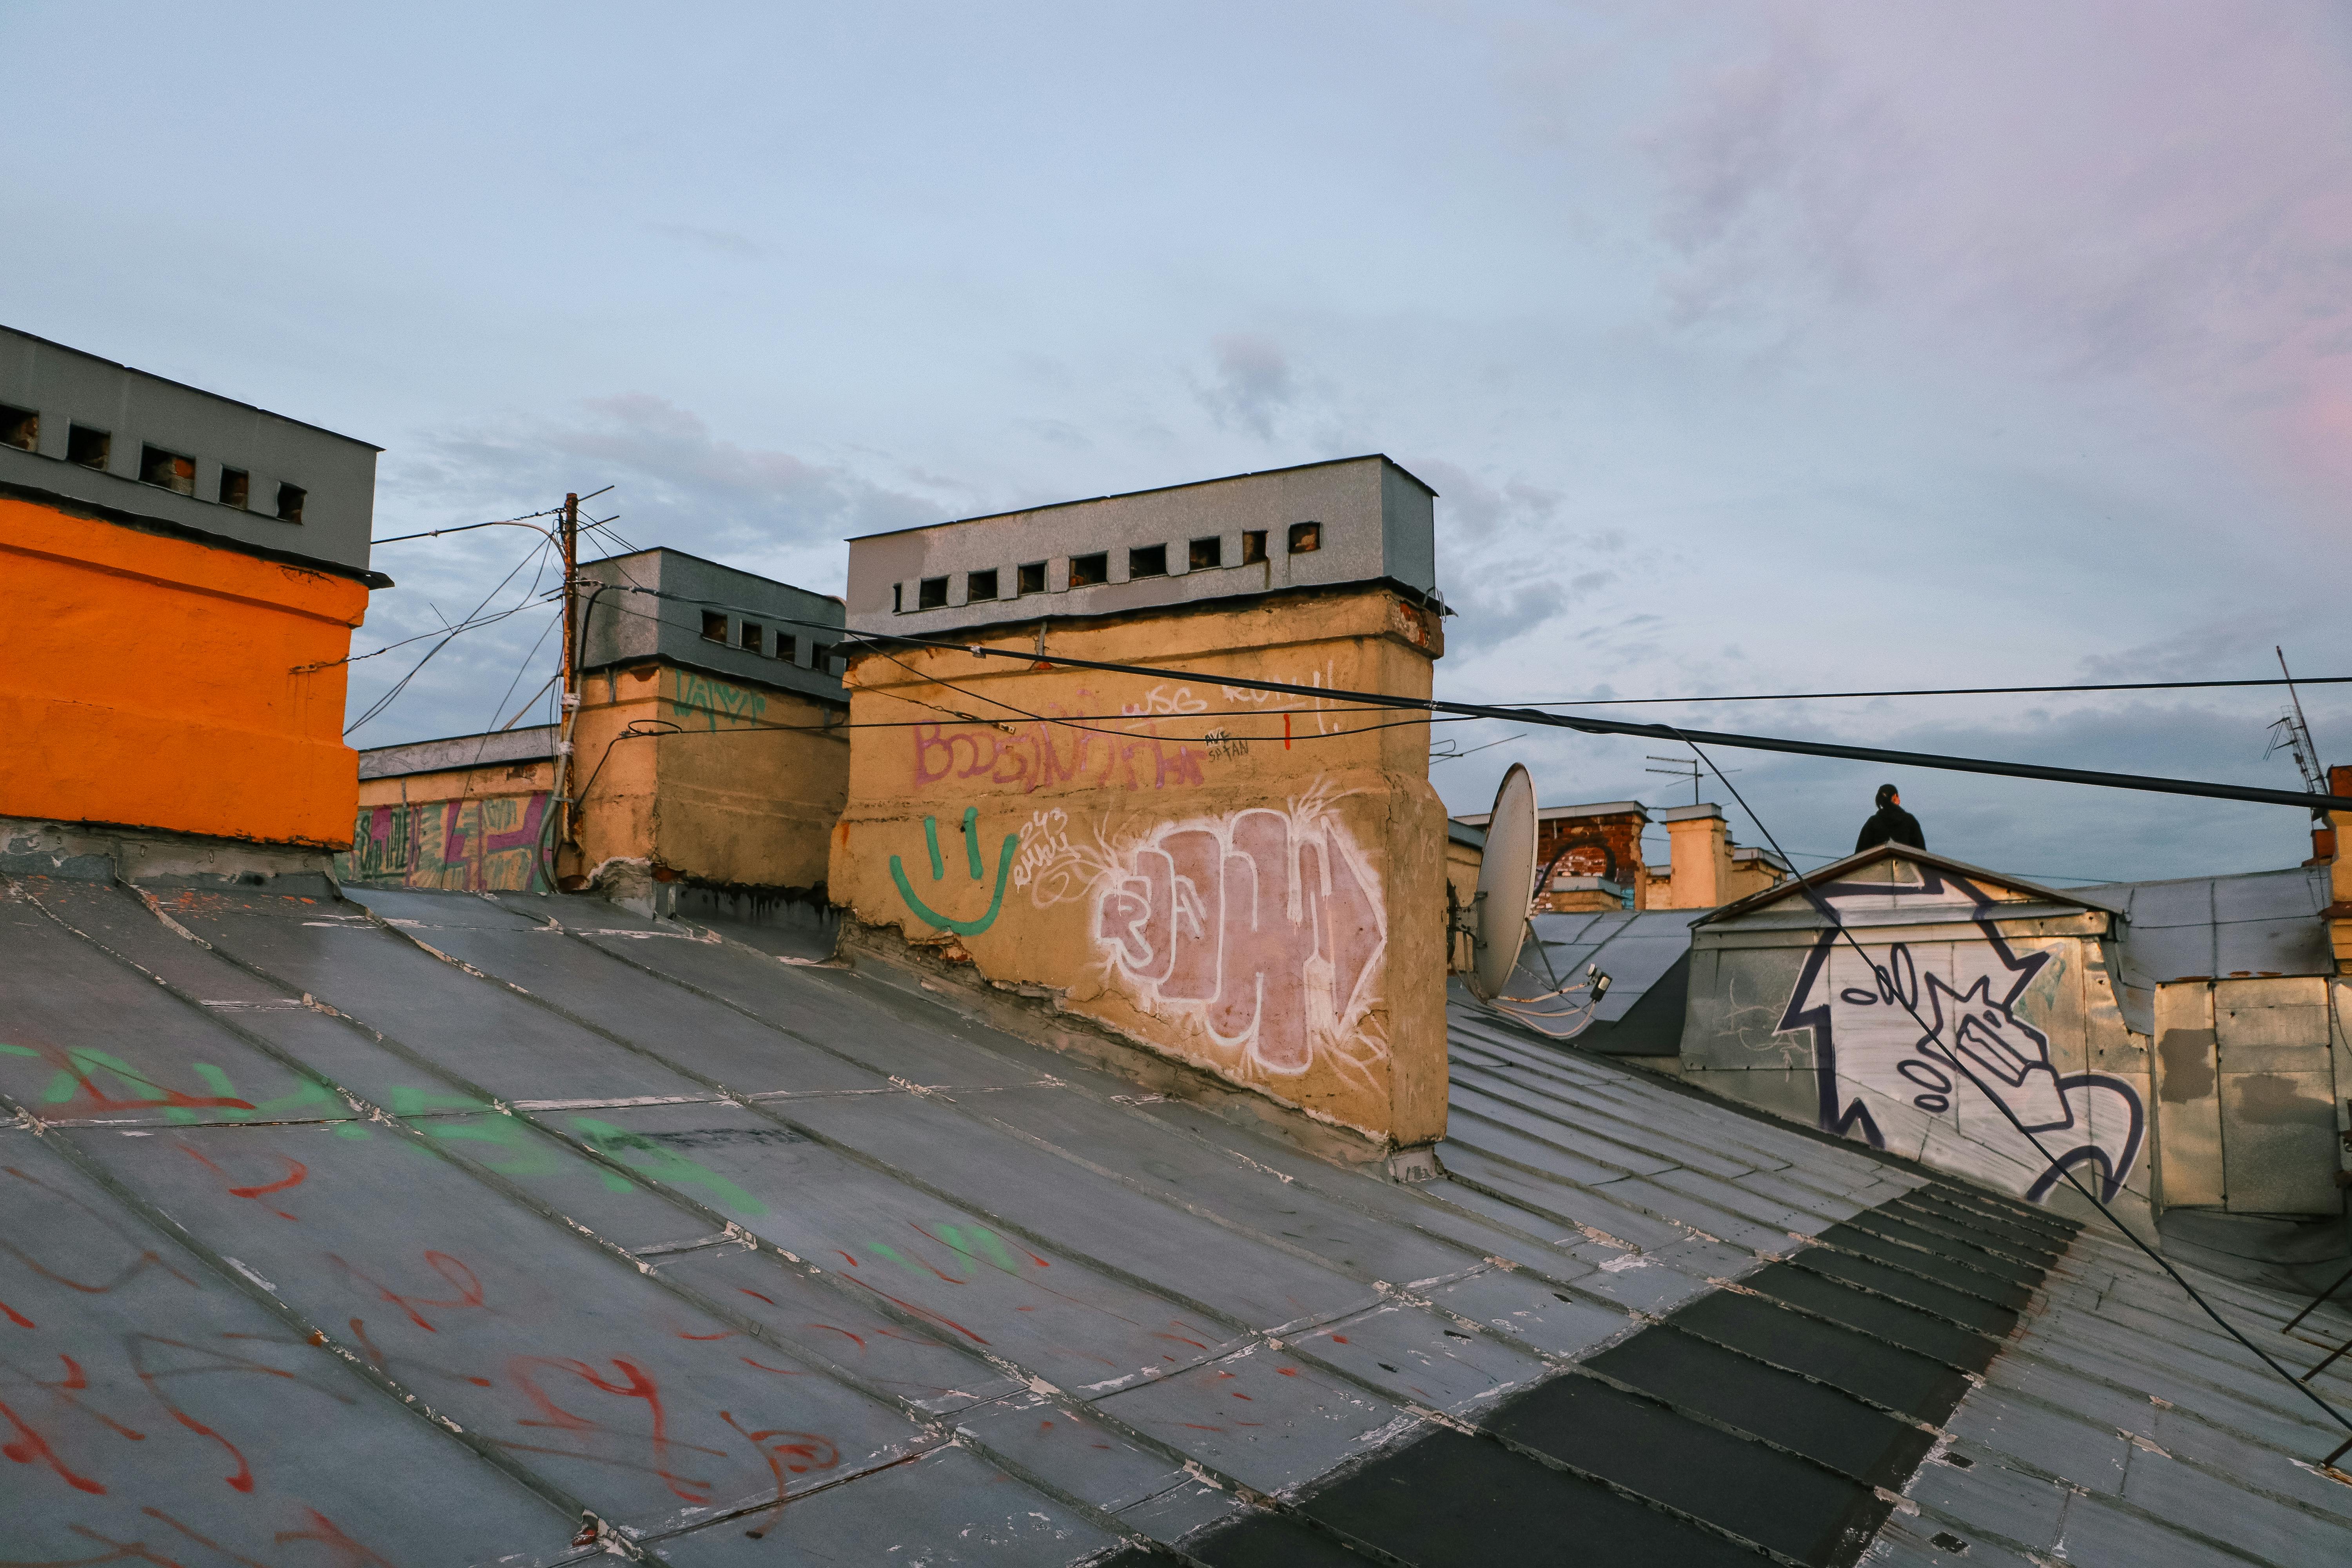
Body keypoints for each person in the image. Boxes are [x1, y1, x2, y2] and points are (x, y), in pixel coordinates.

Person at [1855, 783, 1924, 852]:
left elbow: (1860, 854)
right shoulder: (1910, 820)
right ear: (1895, 797)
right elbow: (1922, 852)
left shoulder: (1873, 822)